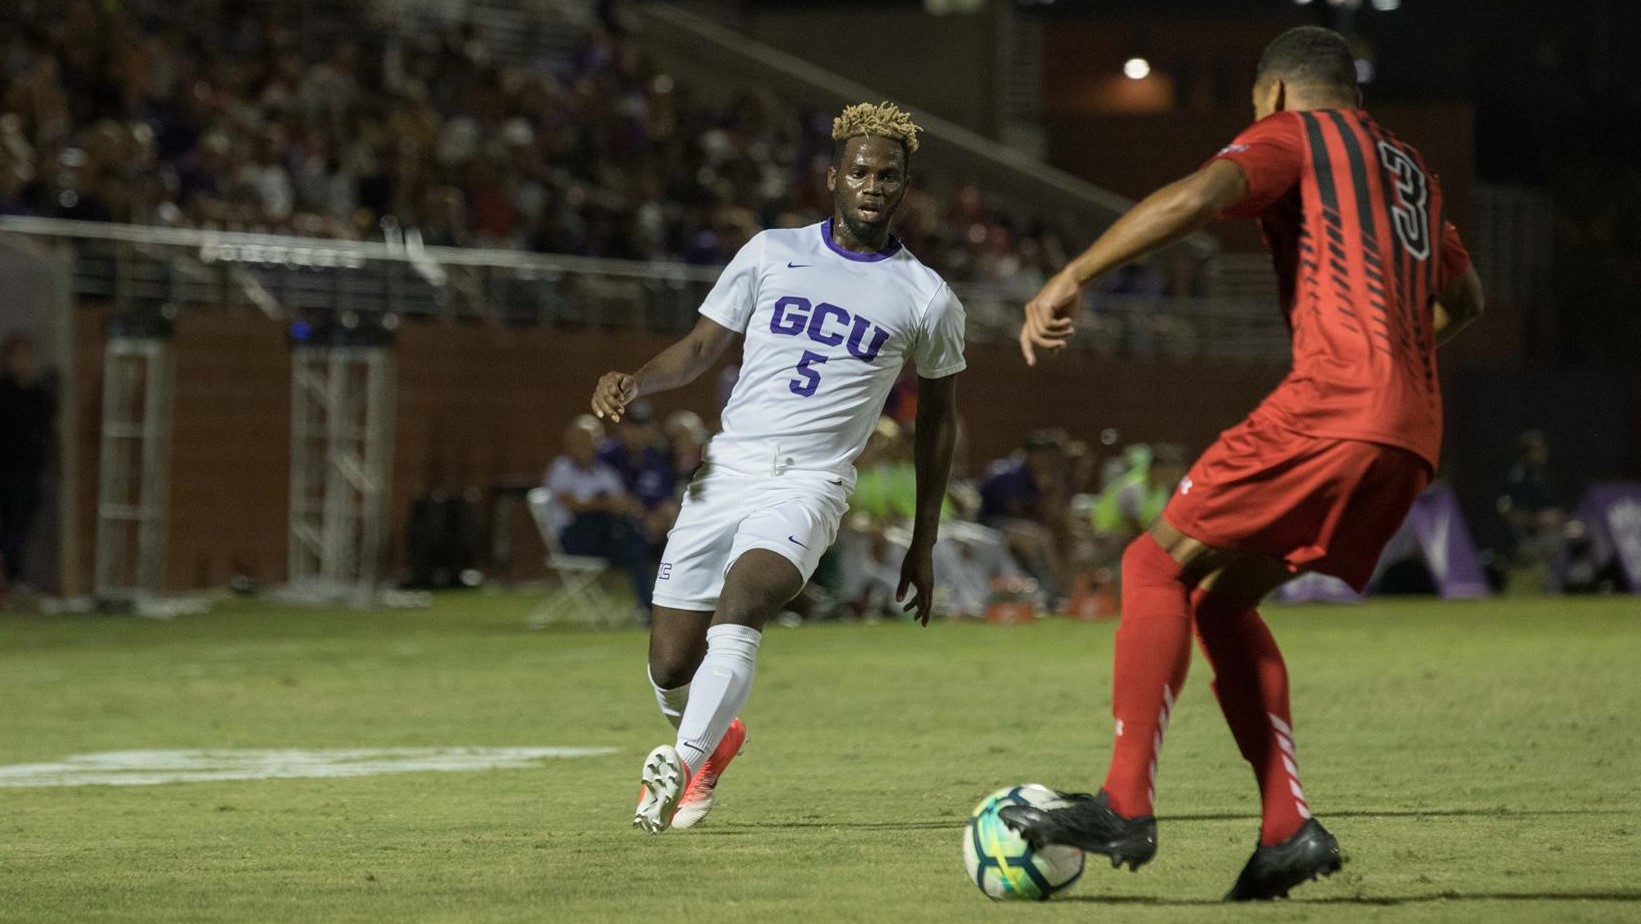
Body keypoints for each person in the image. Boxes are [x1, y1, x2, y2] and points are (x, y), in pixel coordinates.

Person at [999, 27, 1485, 901]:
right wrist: (1396, 363)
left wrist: (1071, 273)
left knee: (1150, 562)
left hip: (1335, 403)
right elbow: (1467, 297)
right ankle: (1284, 828)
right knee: (1220, 601)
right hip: (1412, 430)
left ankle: (1123, 802)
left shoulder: (1292, 135)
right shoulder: (1406, 167)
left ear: (1269, 95)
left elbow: (1196, 195)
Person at [588, 101, 966, 834]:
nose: (872, 185)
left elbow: (940, 423)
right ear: (832, 177)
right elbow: (700, 349)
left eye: (888, 175)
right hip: (725, 470)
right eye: (860, 171)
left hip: (810, 482)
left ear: (904, 189)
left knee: (744, 603)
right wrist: (636, 379)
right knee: (669, 664)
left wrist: (923, 541)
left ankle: (677, 762)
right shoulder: (768, 251)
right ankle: (715, 739)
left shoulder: (927, 297)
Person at [542, 415, 655, 615]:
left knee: (636, 546)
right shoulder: (561, 469)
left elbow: (622, 504)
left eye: (594, 440)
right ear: (571, 443)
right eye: (583, 441)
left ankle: (647, 607)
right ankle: (649, 605)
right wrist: (605, 504)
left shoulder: (604, 472)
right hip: (572, 539)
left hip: (603, 538)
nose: (589, 446)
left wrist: (617, 506)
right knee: (627, 537)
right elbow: (570, 503)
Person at [0, 334, 53, 594]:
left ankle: (14, 578)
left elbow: (48, 433)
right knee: (8, 527)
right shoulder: (4, 393)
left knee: (21, 527)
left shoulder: (39, 395)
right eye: (14, 356)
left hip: (30, 471)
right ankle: (10, 578)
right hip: (5, 471)